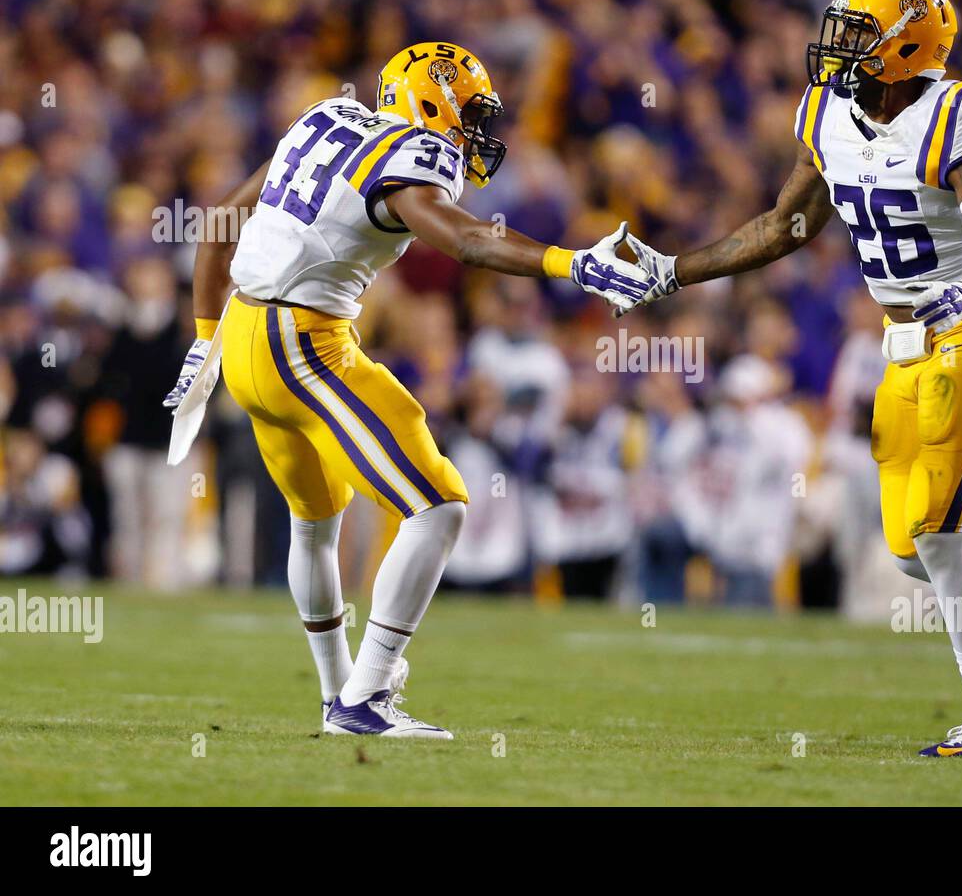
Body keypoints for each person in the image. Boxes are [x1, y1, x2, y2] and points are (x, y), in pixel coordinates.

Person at [618, 0, 962, 758]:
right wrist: (674, 269)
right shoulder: (829, 113)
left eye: (859, 35)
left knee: (937, 533)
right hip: (906, 341)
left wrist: (960, 291)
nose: (839, 49)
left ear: (908, 47)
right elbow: (784, 226)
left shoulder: (955, 113)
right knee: (914, 552)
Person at [163, 42, 651, 738]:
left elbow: (218, 222)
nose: (478, 133)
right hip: (302, 343)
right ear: (431, 99)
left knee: (315, 522)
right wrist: (571, 262)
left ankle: (340, 696)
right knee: (440, 504)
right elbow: (466, 241)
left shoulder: (325, 117)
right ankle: (364, 698)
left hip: (244, 334)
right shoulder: (413, 154)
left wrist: (205, 336)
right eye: (472, 113)